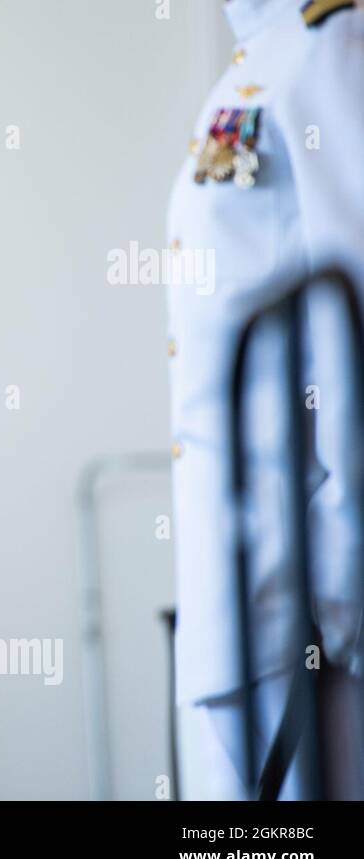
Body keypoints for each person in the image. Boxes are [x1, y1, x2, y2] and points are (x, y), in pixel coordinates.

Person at [167, 0, 364, 799]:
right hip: (237, 614)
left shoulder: (332, 47)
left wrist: (348, 617)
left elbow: (352, 325)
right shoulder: (257, 61)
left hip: (308, 623)